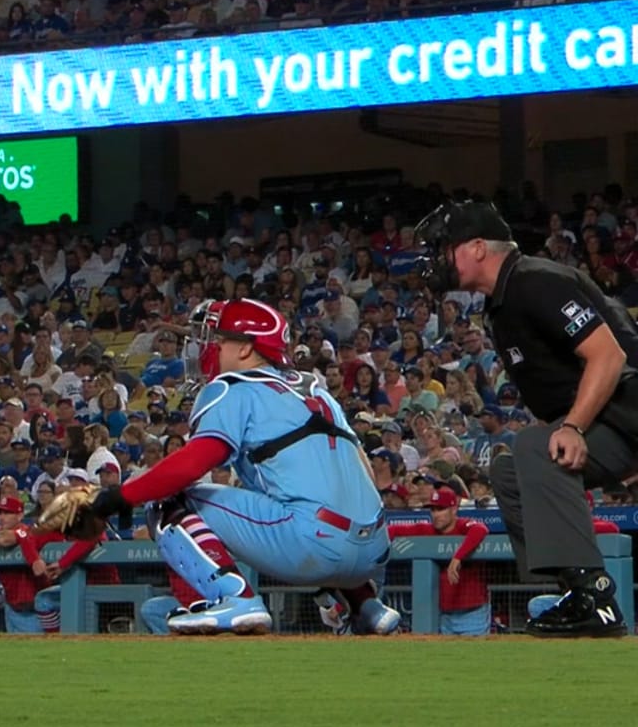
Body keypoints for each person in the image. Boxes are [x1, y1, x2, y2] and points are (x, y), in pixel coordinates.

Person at [89, 298, 401, 635]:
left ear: (245, 348)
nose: (210, 348)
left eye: (219, 340)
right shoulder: (317, 391)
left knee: (167, 499)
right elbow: (366, 473)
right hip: (375, 549)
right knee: (295, 498)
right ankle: (366, 606)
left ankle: (236, 599)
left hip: (313, 542)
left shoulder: (233, 387)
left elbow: (193, 463)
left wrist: (121, 497)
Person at [415, 200, 636, 637]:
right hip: (611, 420)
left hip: (628, 409)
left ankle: (597, 597)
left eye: (447, 247)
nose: (440, 258)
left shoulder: (535, 281)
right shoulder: (501, 302)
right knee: (509, 469)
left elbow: (608, 356)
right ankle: (578, 589)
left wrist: (571, 428)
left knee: (535, 445)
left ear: (478, 248)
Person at [386, 487, 492, 635]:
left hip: (472, 613)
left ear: (453, 510)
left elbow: (480, 529)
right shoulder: (427, 530)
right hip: (443, 614)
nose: (435, 514)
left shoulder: (462, 525)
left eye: (441, 509)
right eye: (433, 510)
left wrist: (457, 557)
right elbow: (391, 530)